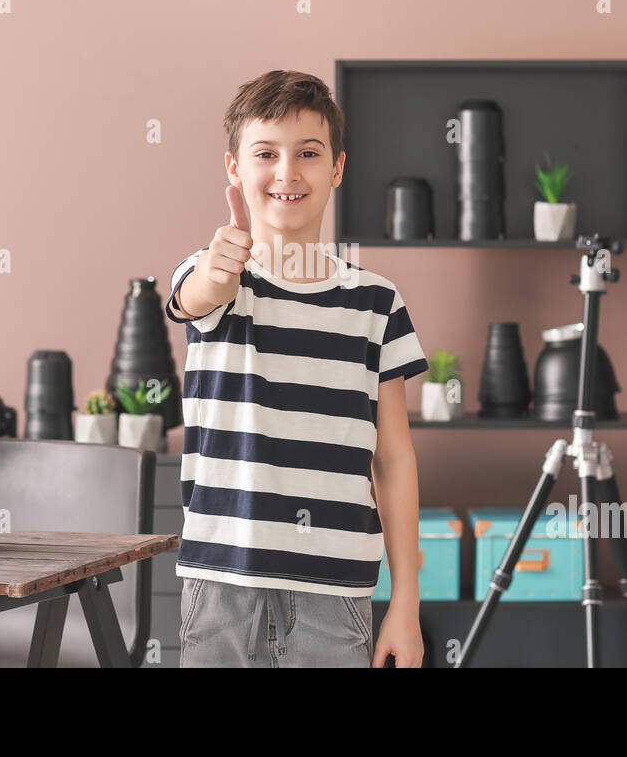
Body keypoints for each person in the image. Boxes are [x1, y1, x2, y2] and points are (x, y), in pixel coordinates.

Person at [164, 69, 429, 667]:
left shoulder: (376, 302)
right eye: (265, 154)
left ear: (336, 168)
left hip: (339, 589)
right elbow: (192, 297)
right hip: (223, 579)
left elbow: (393, 458)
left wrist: (406, 601)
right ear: (234, 168)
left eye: (308, 153)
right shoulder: (217, 277)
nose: (287, 172)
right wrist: (217, 269)